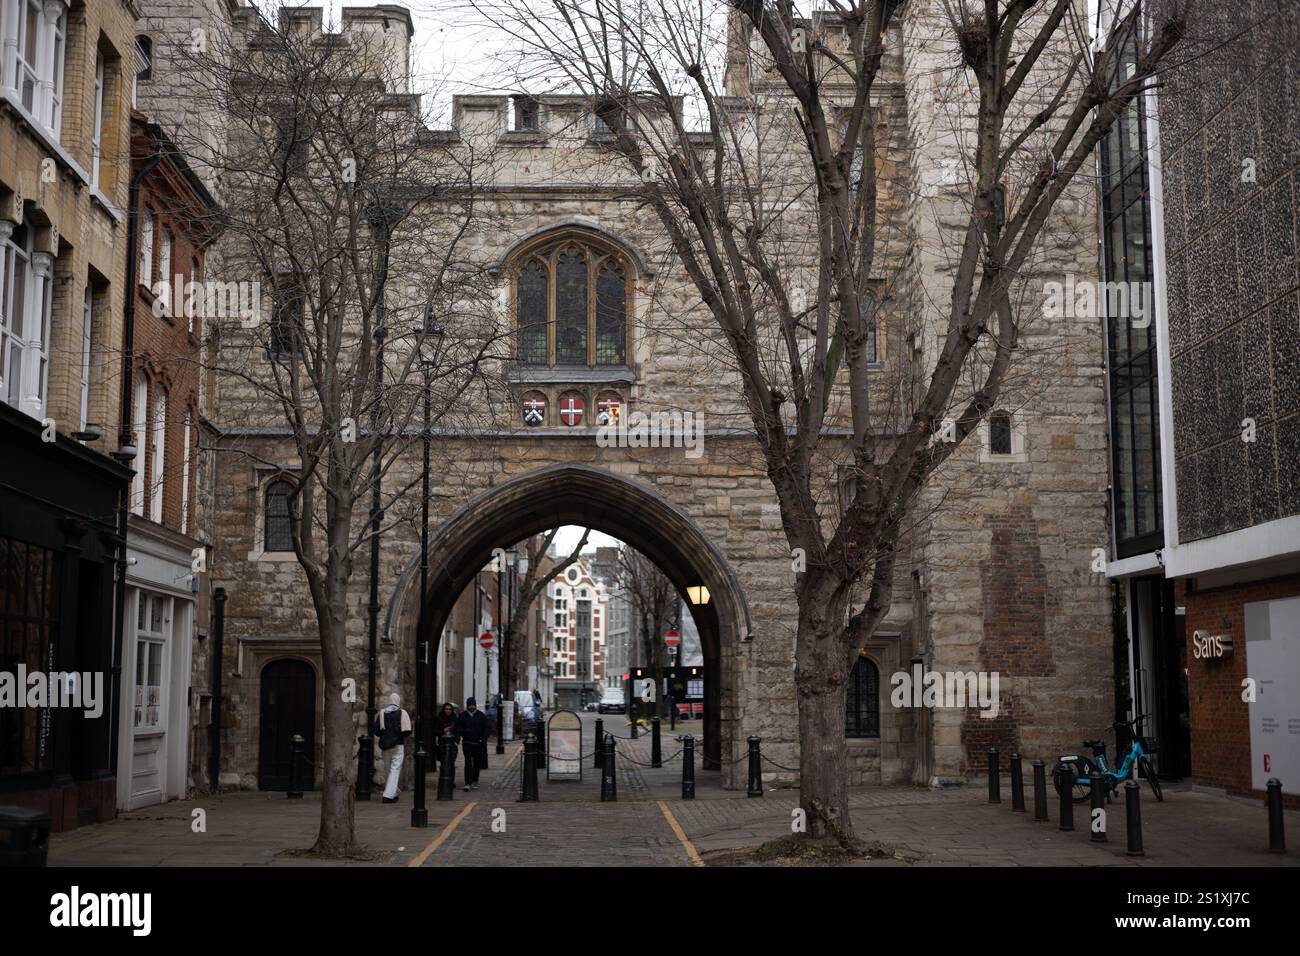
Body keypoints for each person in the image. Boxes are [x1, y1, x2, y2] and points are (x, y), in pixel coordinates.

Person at [375, 693, 412, 804]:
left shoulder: (382, 713)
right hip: (398, 744)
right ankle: (388, 795)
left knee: (388, 769)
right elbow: (408, 730)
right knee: (395, 769)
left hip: (386, 746)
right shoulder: (402, 712)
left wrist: (385, 736)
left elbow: (376, 730)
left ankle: (394, 792)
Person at [455, 696, 489, 791]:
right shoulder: (463, 716)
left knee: (477, 763)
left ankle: (475, 780)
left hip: (478, 743)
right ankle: (467, 783)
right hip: (467, 742)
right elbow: (458, 728)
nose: (471, 707)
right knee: (468, 762)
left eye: (473, 705)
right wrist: (462, 734)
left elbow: (486, 729)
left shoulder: (481, 716)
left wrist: (483, 739)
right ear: (467, 705)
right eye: (470, 705)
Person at [435, 702, 458, 773]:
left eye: (450, 709)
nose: (448, 711)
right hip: (442, 743)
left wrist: (456, 741)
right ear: (443, 710)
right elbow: (435, 731)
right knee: (443, 763)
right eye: (446, 709)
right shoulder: (439, 718)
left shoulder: (454, 718)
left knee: (451, 763)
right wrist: (443, 731)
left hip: (452, 744)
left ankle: (451, 781)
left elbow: (458, 731)